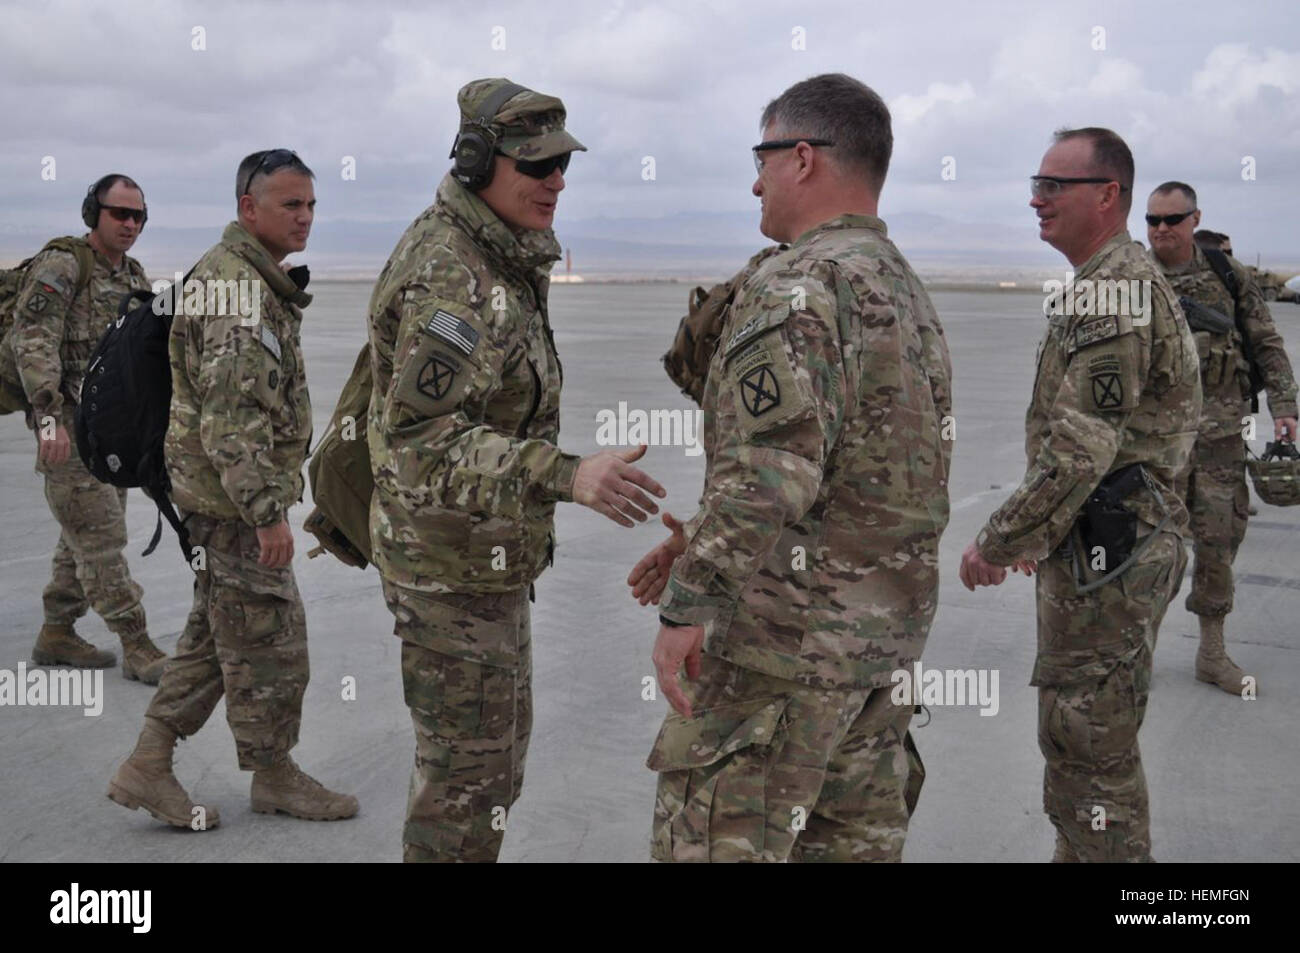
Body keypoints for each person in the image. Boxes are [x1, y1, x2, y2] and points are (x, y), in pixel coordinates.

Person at [633, 73, 952, 863]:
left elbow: (770, 471)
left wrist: (688, 605)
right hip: (879, 656)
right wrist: (698, 538)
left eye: (763, 156)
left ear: (803, 158)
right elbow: (852, 470)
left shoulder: (797, 285)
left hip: (783, 655)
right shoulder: (904, 290)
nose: (755, 180)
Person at [367, 78, 666, 862]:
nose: (557, 182)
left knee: (486, 771)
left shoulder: (499, 257)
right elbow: (419, 440)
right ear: (474, 162)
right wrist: (568, 474)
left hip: (479, 562)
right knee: (466, 786)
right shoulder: (455, 278)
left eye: (563, 165)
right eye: (536, 166)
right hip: (447, 571)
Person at [959, 128, 1200, 862]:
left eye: (1054, 185)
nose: (1037, 197)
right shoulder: (1106, 280)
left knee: (1089, 753)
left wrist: (1000, 540)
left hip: (1115, 555)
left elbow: (1079, 449)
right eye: (1035, 182)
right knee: (1084, 743)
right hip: (1104, 544)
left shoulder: (1113, 293)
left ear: (1107, 195)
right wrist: (1049, 532)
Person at [108, 150, 357, 830]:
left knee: (214, 638)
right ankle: (274, 775)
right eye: (290, 205)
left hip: (221, 502)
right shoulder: (235, 291)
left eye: (310, 205)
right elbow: (230, 419)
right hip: (232, 507)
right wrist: (265, 513)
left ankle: (148, 762)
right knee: (274, 642)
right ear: (249, 208)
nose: (305, 217)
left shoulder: (251, 278)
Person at [9, 174, 168, 684]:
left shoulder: (134, 276)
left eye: (138, 216)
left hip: (109, 435)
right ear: (91, 213)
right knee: (101, 538)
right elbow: (32, 342)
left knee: (79, 534)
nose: (130, 224)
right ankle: (137, 644)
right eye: (119, 213)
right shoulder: (62, 266)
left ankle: (56, 632)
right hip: (69, 431)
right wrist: (49, 420)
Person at [1148, 182, 1298, 693]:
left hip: (1219, 443)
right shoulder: (1132, 278)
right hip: (1154, 447)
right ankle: (1133, 653)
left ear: (1195, 219)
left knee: (1217, 542)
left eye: (1172, 219)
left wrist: (1286, 408)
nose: (1161, 229)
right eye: (1152, 220)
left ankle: (1211, 653)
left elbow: (1266, 343)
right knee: (1148, 548)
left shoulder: (1226, 275)